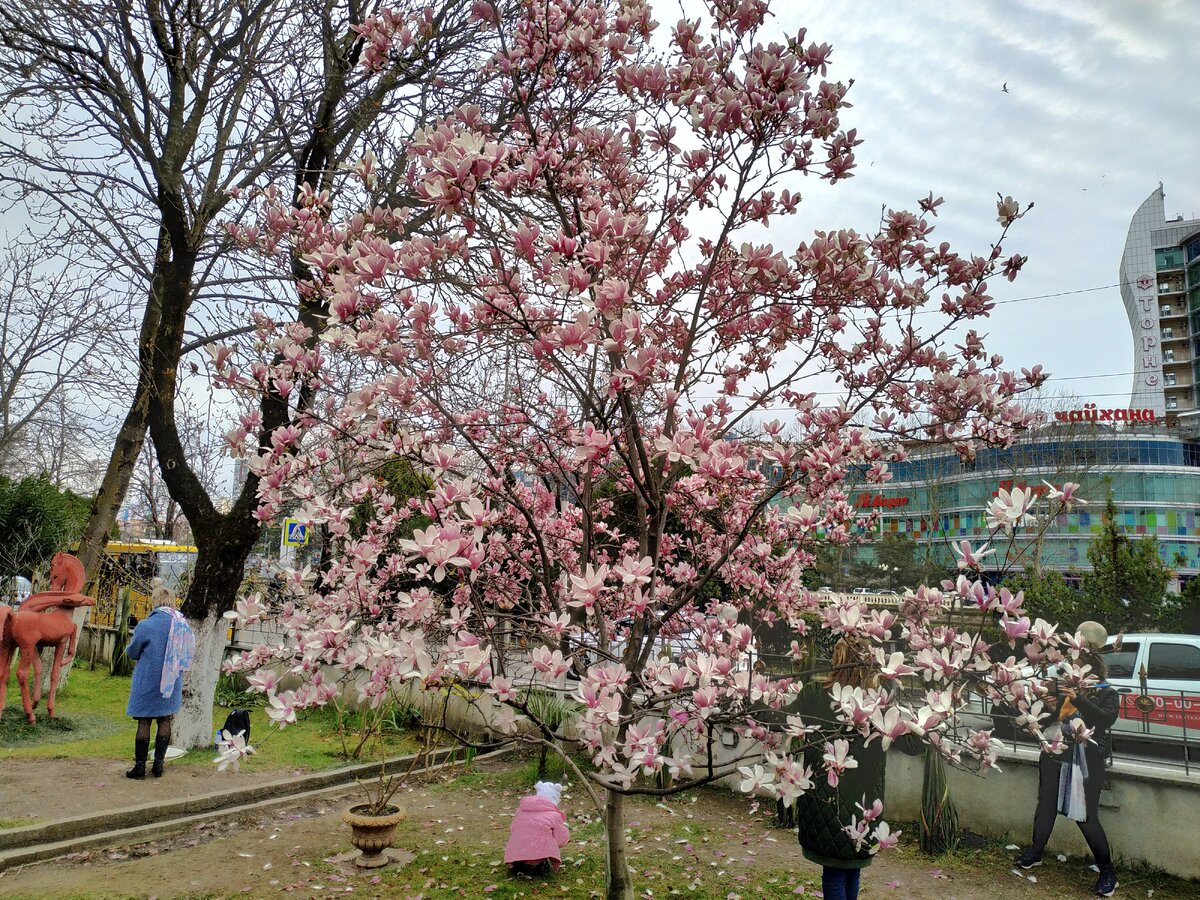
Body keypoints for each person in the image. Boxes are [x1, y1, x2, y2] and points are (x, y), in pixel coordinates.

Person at [792, 638, 921, 900]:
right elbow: (914, 745)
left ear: (836, 661)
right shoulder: (879, 704)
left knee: (836, 873)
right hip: (865, 804)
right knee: (850, 870)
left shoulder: (814, 695)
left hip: (826, 801)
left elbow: (782, 719)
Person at [1014, 621, 1120, 897]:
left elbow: (1105, 719)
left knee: (1085, 816)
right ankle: (1036, 852)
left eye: (1078, 662)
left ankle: (1107, 871)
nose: (1071, 667)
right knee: (1046, 804)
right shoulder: (1060, 688)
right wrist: (1036, 710)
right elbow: (1048, 718)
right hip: (1056, 752)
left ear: (1090, 666)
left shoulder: (1107, 691)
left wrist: (1079, 699)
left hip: (1087, 760)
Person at [124, 582, 195, 778]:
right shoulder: (182, 624)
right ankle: (158, 766)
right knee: (165, 719)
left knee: (144, 721)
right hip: (171, 682)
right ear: (172, 602)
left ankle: (139, 768)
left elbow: (133, 652)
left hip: (148, 681)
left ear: (154, 601)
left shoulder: (145, 625)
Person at [503, 781, 571, 876]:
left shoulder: (520, 812)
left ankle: (519, 866)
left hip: (515, 856)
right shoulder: (554, 815)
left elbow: (513, 828)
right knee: (544, 843)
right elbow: (561, 840)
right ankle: (539, 865)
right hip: (539, 856)